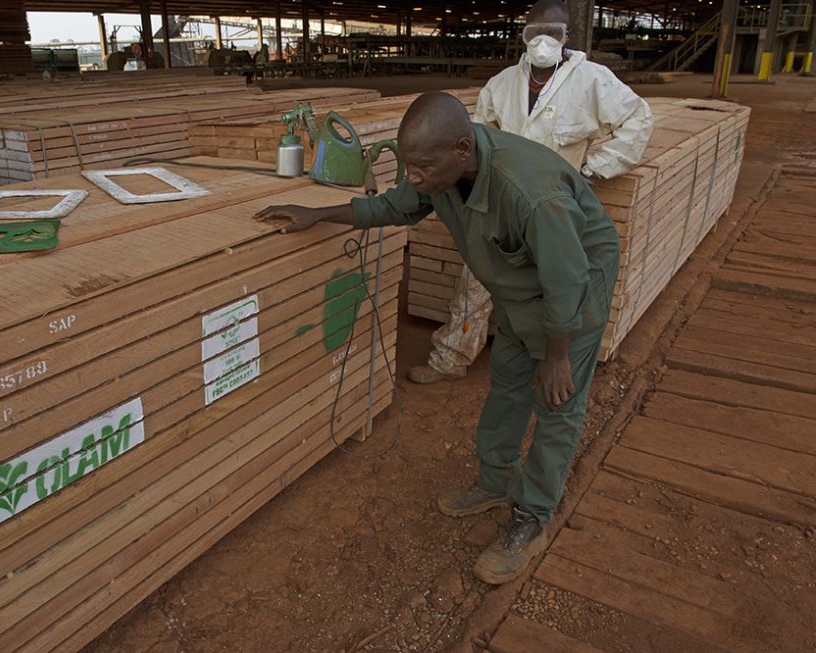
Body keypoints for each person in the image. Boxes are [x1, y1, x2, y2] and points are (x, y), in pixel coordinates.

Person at [256, 91, 620, 584]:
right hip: (517, 293)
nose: (415, 177)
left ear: (463, 150)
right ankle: (495, 482)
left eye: (422, 168)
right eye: (410, 166)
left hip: (573, 298)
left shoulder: (531, 192)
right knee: (508, 383)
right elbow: (394, 207)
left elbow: (567, 280)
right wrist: (319, 214)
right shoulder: (440, 169)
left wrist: (558, 355)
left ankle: (531, 519)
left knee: (556, 405)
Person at [406, 0, 652, 385]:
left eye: (552, 33)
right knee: (476, 278)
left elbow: (637, 121)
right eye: (535, 33)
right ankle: (450, 357)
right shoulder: (502, 85)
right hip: (498, 202)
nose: (543, 42)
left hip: (552, 208)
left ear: (566, 37)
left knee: (553, 285)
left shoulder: (594, 81)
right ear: (524, 35)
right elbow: (475, 136)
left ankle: (548, 361)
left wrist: (593, 170)